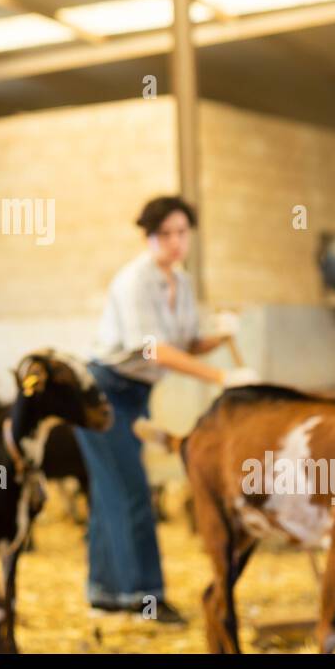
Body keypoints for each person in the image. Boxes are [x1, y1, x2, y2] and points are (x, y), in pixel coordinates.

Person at [81, 195, 260, 623]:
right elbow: (154, 348)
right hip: (104, 394)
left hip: (137, 394)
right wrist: (220, 378)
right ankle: (147, 598)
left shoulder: (182, 281)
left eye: (182, 233)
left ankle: (106, 593)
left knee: (113, 493)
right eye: (165, 234)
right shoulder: (134, 281)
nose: (176, 242)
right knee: (131, 492)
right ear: (149, 236)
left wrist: (219, 335)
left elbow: (186, 342)